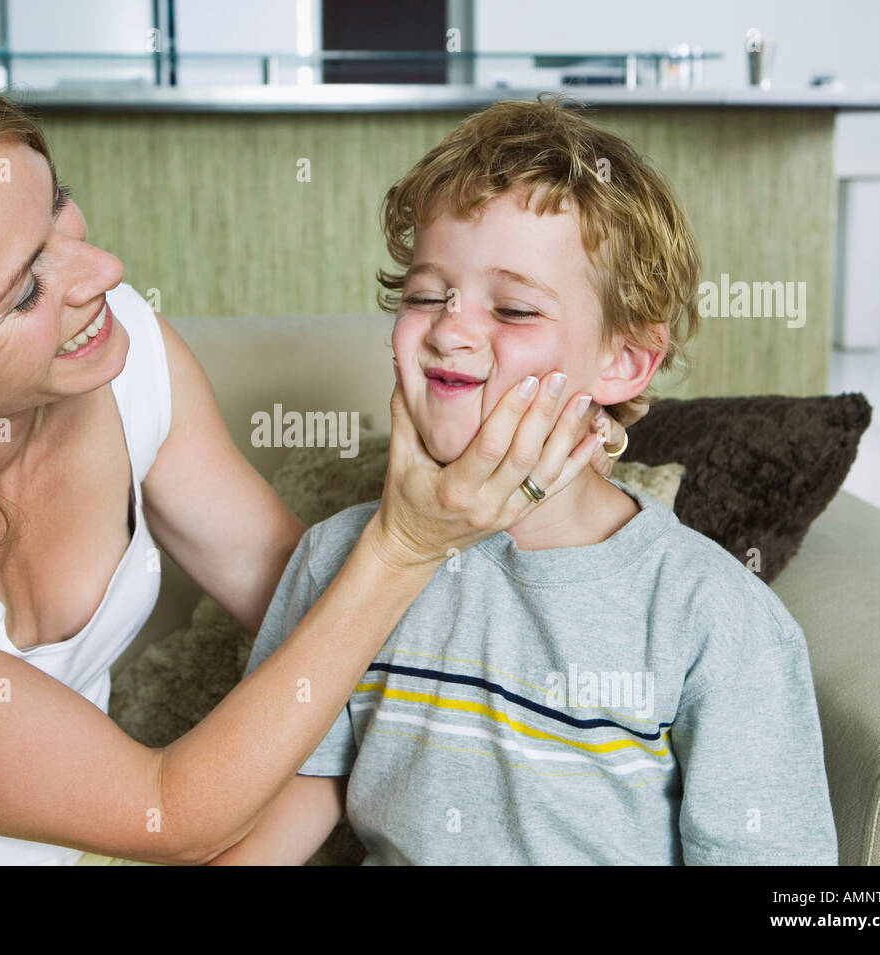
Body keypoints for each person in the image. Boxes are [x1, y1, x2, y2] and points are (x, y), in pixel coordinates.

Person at [0, 64, 626, 866]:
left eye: (60, 212)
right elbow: (171, 809)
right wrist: (406, 542)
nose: (104, 272)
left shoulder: (121, 353)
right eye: (26, 285)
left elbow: (301, 607)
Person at [215, 97, 838, 865]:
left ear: (626, 361)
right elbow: (256, 840)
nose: (450, 328)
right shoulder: (340, 561)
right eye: (423, 294)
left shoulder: (711, 617)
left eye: (512, 307)